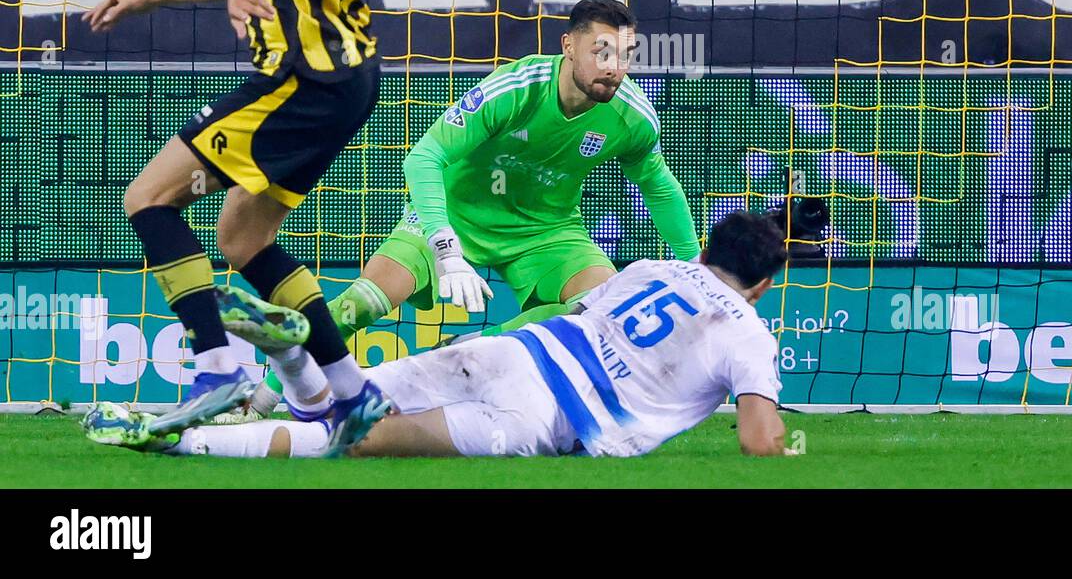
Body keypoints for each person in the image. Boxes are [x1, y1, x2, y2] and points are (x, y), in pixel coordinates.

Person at [82, 0, 390, 453]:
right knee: (243, 234)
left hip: (302, 78)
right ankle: (349, 393)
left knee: (147, 196)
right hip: (355, 79)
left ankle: (218, 367)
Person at [230, 0, 701, 420]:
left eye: (625, 55)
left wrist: (694, 269)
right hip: (454, 214)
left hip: (548, 232)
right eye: (602, 52)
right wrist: (445, 247)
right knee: (364, 302)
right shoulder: (517, 88)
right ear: (568, 46)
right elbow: (425, 157)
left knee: (600, 310)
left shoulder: (632, 116)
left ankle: (467, 350)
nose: (615, 67)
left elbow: (658, 188)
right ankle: (263, 397)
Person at [84, 210, 790, 459]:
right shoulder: (750, 330)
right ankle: (184, 440)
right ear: (760, 284)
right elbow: (758, 439)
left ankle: (294, 355)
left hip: (515, 351)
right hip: (549, 413)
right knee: (350, 440)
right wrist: (783, 449)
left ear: (704, 254)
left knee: (342, 402)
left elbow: (578, 316)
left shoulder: (653, 266)